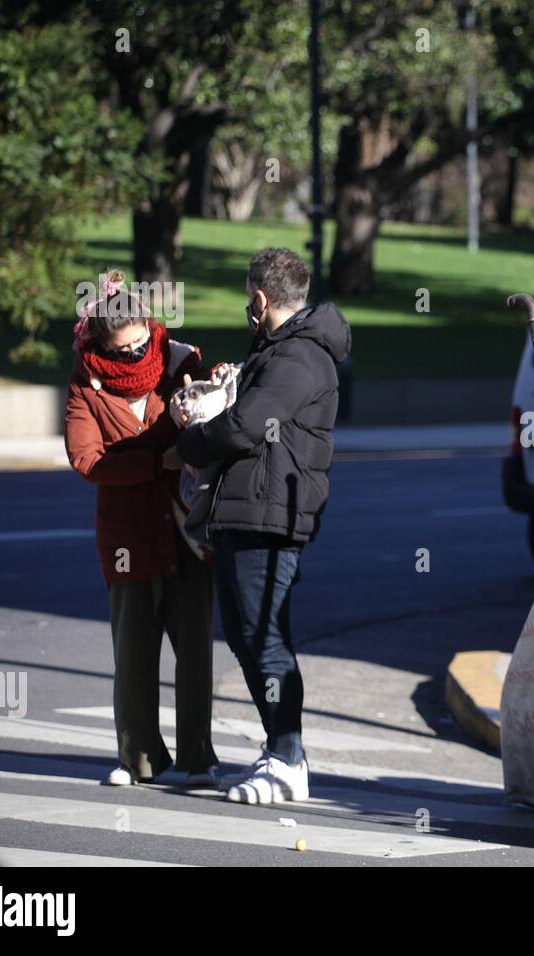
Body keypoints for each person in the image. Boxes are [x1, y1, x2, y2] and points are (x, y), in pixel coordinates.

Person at [171, 247, 351, 805]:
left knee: (264, 638)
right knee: (250, 636)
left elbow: (247, 426)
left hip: (269, 513)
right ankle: (281, 748)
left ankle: (288, 757)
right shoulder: (281, 349)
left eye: (248, 296)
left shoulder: (298, 356)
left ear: (260, 297)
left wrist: (188, 442)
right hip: (254, 506)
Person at [64, 270, 219, 786]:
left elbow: (211, 414)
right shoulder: (85, 387)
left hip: (188, 530)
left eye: (139, 343)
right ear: (100, 344)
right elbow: (88, 459)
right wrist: (160, 461)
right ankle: (140, 758)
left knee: (195, 649)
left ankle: (199, 756)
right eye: (122, 349)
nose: (134, 355)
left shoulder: (177, 362)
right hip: (128, 537)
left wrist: (215, 388)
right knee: (133, 655)